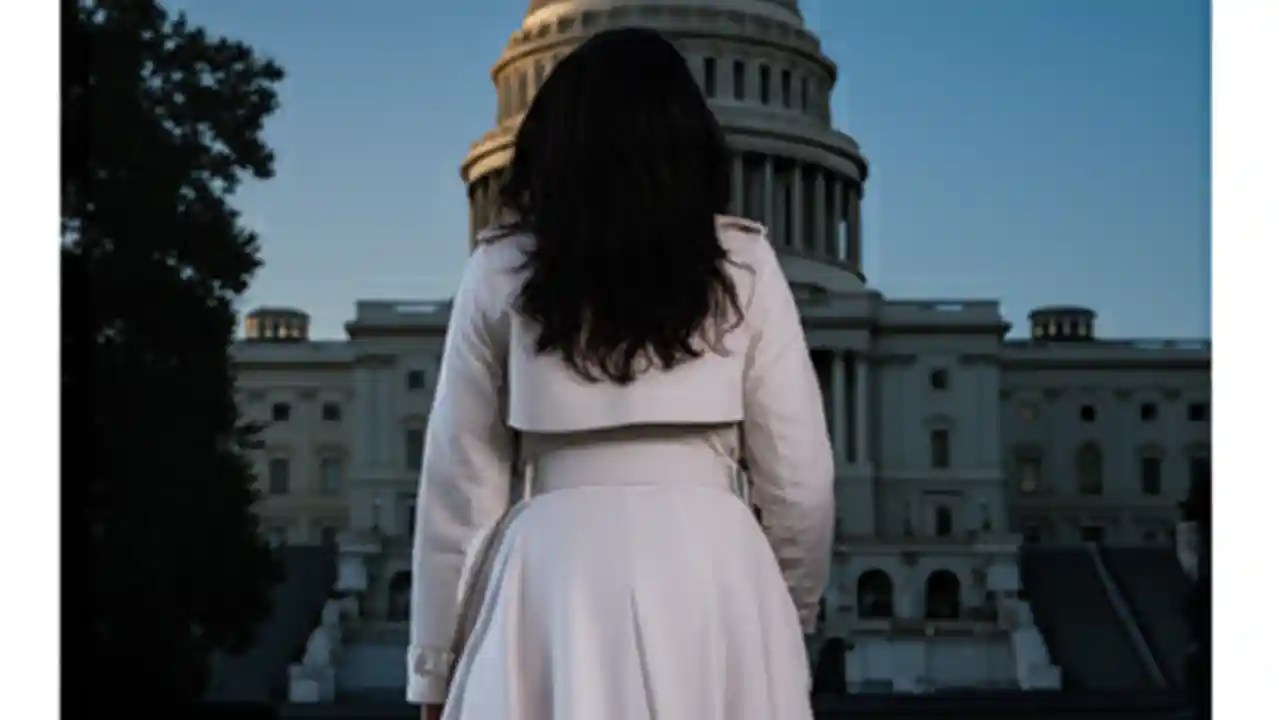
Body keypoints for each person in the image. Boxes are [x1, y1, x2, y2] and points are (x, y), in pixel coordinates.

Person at [407, 27, 835, 720]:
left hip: (548, 569)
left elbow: (460, 485)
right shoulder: (749, 265)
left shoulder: (495, 270)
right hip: (718, 565)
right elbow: (800, 476)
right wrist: (789, 609)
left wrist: (436, 669)